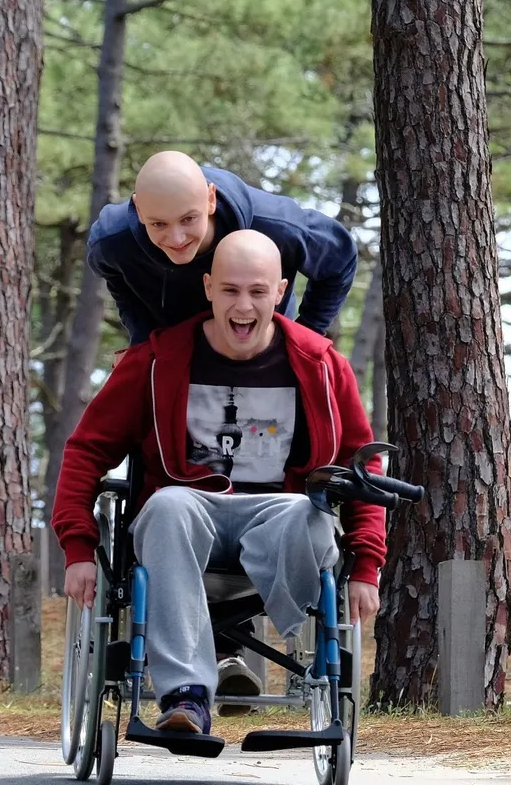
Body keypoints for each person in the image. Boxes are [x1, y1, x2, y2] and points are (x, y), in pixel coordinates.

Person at [53, 230, 385, 736]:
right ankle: (186, 695)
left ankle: (279, 655)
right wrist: (79, 547)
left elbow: (361, 467)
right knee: (168, 506)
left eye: (257, 291)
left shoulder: (320, 365)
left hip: (278, 517)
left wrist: (366, 565)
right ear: (208, 287)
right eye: (230, 290)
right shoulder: (157, 362)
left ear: (280, 292)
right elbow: (86, 451)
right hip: (187, 518)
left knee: (308, 512)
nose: (243, 305)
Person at [88, 151, 357, 343]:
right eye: (158, 224)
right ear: (138, 210)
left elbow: (340, 259)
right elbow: (113, 273)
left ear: (210, 199)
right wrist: (143, 337)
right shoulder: (113, 238)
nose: (177, 238)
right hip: (177, 356)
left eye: (188, 219)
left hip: (263, 354)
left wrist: (304, 338)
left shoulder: (277, 225)